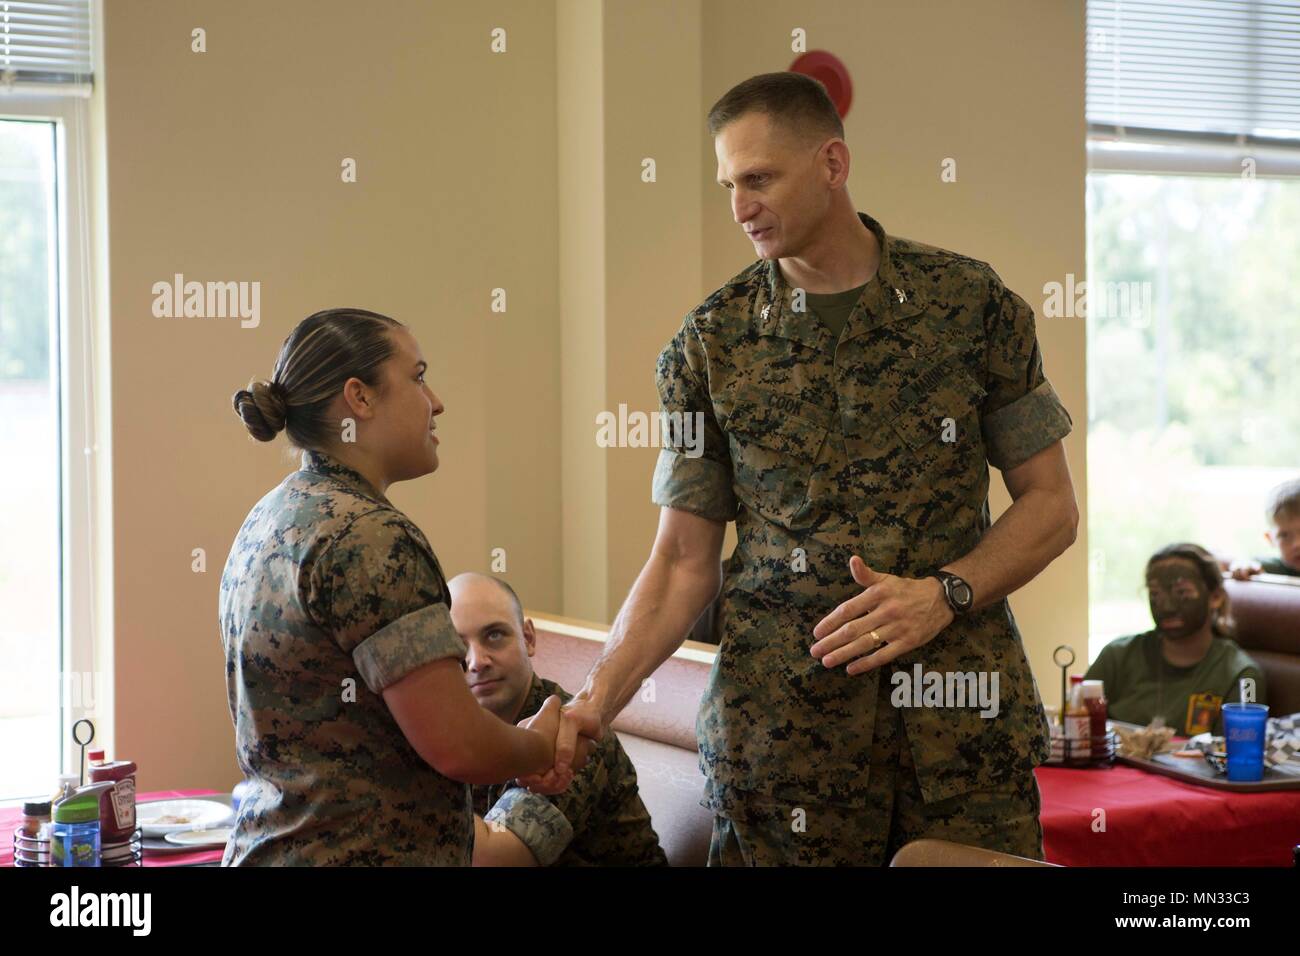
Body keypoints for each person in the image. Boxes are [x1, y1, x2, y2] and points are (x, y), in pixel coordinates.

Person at [522, 72, 1079, 866]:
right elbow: (682, 561)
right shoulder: (706, 348)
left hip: (958, 736)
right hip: (785, 748)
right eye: (728, 184)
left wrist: (944, 593)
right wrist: (592, 702)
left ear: (832, 163)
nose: (740, 205)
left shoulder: (971, 306)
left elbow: (1051, 506)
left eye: (759, 178)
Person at [219, 307, 580, 865]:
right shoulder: (370, 536)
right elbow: (457, 745)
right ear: (359, 398)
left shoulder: (268, 518)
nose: (435, 401)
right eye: (417, 376)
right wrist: (540, 745)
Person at [450, 573, 668, 867]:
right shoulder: (454, 727)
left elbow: (497, 861)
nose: (477, 661)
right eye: (458, 646)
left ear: (528, 638)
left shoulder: (571, 733)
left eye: (494, 635)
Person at [1085, 543, 1265, 736]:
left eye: (1182, 593)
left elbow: (1241, 750)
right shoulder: (1116, 656)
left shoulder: (1244, 677)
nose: (1167, 607)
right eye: (1155, 594)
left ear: (1215, 597)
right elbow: (1075, 724)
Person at [1225, 478, 1300, 580]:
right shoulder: (1271, 568)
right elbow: (1247, 562)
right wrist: (1244, 567)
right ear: (1270, 539)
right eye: (1284, 535)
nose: (1297, 544)